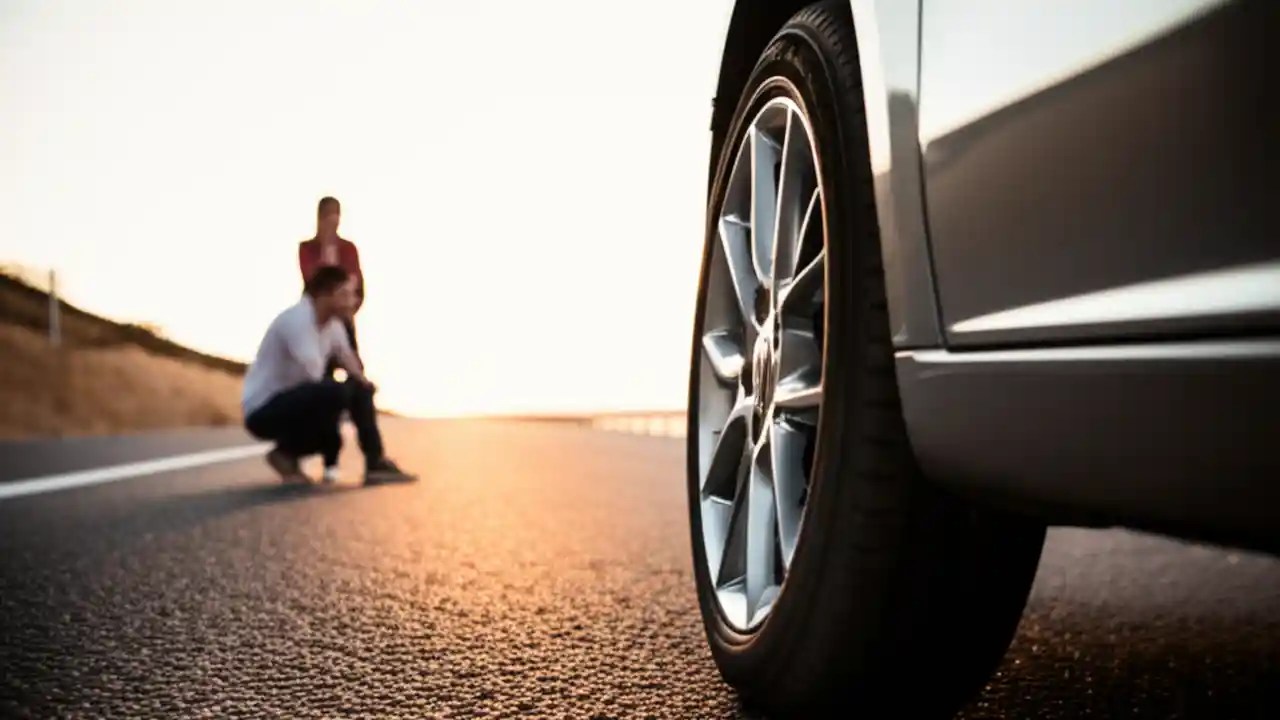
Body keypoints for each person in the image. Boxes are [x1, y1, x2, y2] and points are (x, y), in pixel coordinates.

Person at [242, 265, 413, 485]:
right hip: (263, 411)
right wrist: (353, 390)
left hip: (298, 402)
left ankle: (375, 462)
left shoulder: (333, 324)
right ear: (326, 295)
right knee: (334, 392)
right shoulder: (297, 321)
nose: (353, 301)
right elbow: (313, 375)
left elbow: (348, 359)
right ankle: (285, 453)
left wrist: (364, 386)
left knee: (351, 400)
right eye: (346, 294)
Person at [298, 196, 362, 358]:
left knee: (351, 360)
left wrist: (347, 306)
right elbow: (313, 281)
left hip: (343, 316)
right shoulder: (307, 248)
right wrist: (327, 249)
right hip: (316, 319)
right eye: (329, 215)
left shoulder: (348, 250)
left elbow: (356, 284)